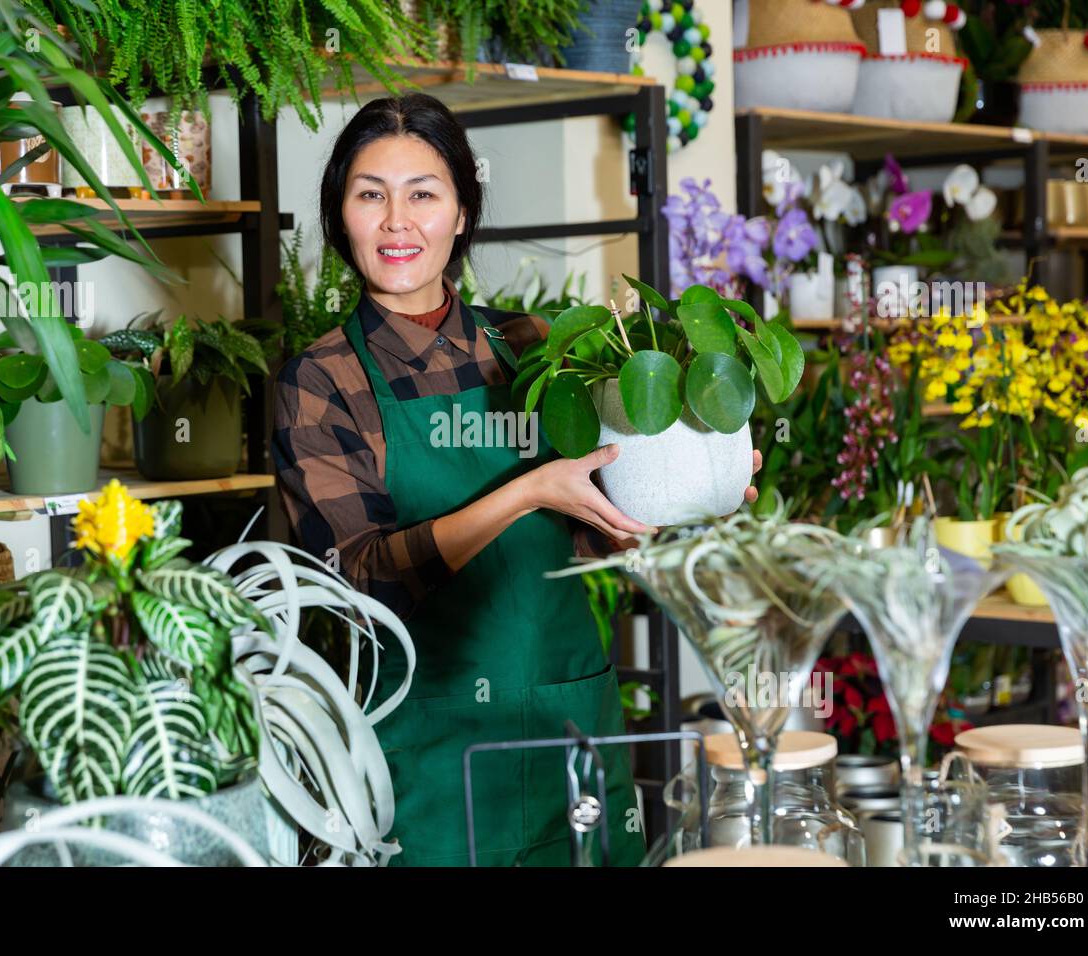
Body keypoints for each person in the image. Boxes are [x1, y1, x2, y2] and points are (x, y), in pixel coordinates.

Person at [272, 92, 761, 866]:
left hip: (569, 720)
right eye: (371, 195)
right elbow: (360, 582)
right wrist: (526, 491)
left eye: (423, 194)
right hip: (428, 751)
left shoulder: (532, 344)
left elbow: (590, 518)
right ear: (342, 217)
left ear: (462, 212)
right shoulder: (323, 380)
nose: (397, 221)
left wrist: (691, 486)